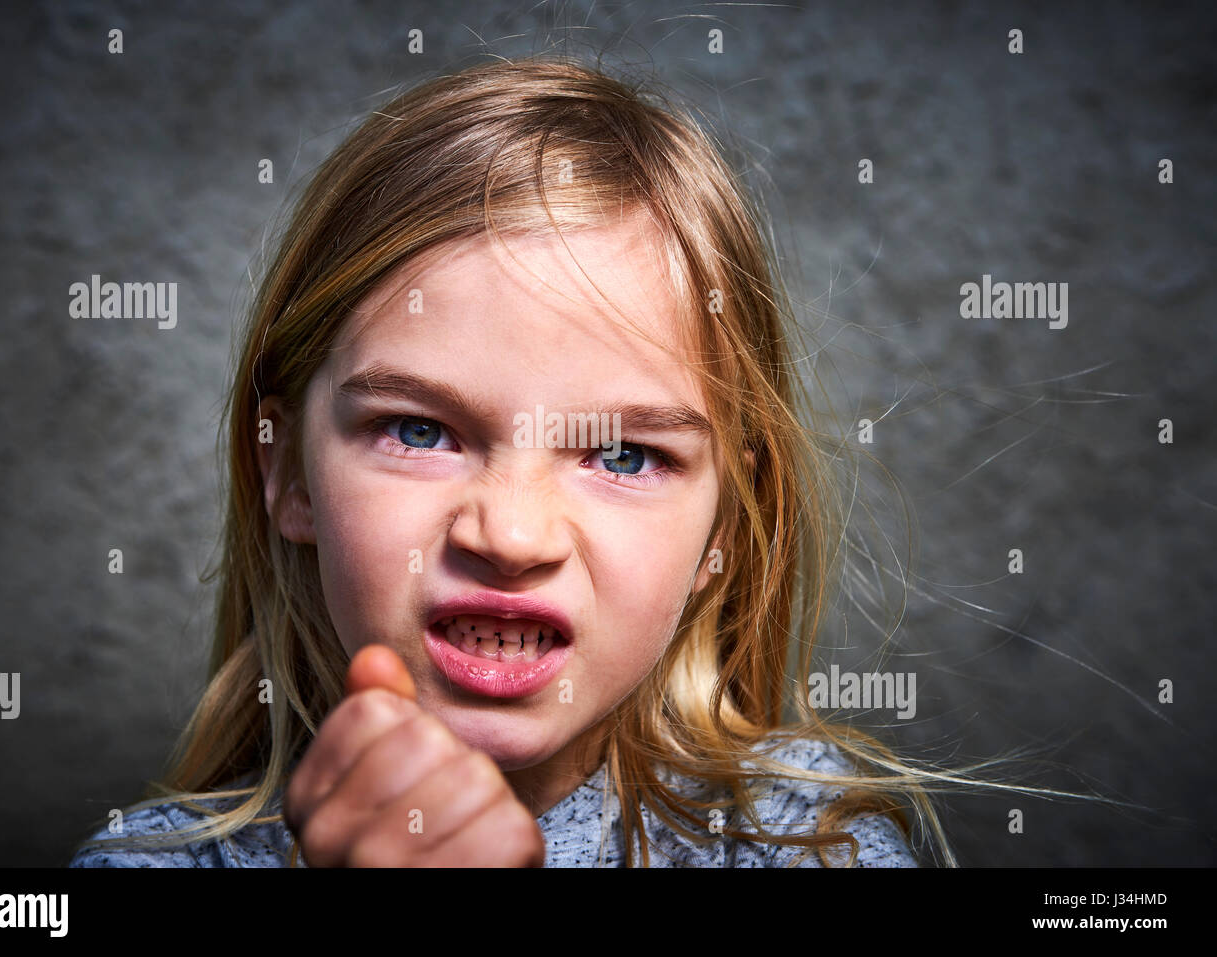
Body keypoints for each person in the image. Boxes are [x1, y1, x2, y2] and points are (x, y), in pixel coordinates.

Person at [71, 55, 940, 868]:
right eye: (418, 432)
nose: (513, 534)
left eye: (622, 453)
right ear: (288, 473)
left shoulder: (812, 845)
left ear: (725, 524)